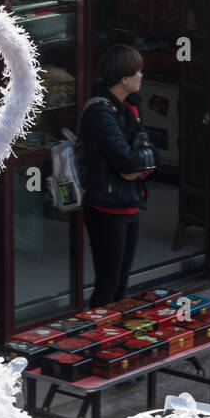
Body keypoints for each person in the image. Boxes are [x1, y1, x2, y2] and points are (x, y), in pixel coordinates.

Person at [77, 45, 156, 305]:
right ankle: (95, 341)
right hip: (106, 205)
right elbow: (125, 158)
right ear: (124, 78)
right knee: (107, 284)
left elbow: (150, 154)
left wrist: (139, 167)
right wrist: (138, 163)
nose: (141, 76)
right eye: (138, 71)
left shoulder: (130, 106)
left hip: (129, 202)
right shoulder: (99, 111)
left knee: (121, 283)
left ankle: (114, 341)